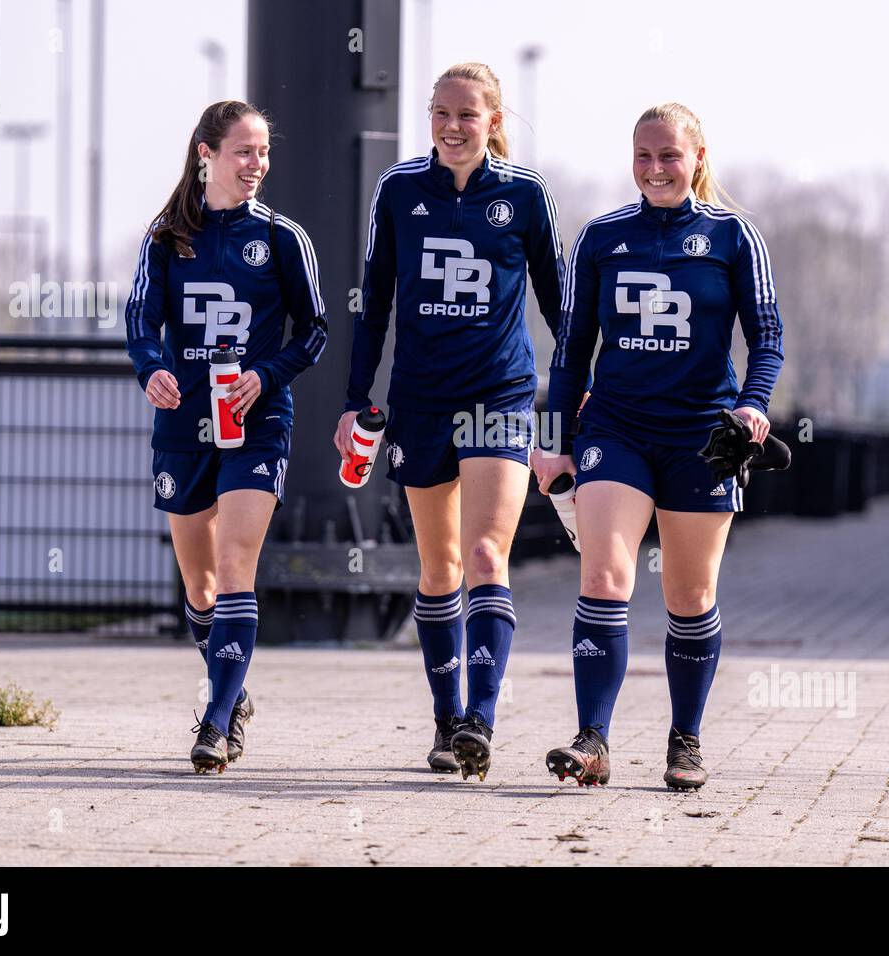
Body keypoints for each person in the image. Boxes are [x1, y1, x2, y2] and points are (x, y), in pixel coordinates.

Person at [532, 102, 784, 790]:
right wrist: (555, 441)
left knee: (689, 594)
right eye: (642, 156)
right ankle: (593, 741)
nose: (654, 169)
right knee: (603, 577)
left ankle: (686, 740)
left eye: (669, 155)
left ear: (698, 157)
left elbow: (767, 337)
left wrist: (752, 408)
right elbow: (572, 349)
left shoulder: (735, 237)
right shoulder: (602, 237)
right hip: (615, 428)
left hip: (704, 438)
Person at [334, 63, 563, 780]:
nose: (452, 127)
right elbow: (373, 304)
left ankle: (481, 720)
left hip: (499, 393)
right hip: (421, 400)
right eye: (440, 113)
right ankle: (444, 721)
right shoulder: (400, 190)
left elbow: (563, 302)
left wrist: (580, 390)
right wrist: (354, 399)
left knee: (488, 555)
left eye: (468, 114)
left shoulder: (525, 195)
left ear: (493, 120)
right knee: (438, 567)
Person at [125, 100, 328, 773]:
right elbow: (140, 322)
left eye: (263, 152)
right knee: (201, 583)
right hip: (184, 425)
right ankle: (231, 689)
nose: (257, 165)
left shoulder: (280, 237)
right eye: (244, 151)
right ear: (206, 154)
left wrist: (265, 377)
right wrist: (153, 370)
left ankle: (215, 720)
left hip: (257, 424)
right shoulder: (166, 237)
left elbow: (315, 330)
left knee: (237, 565)